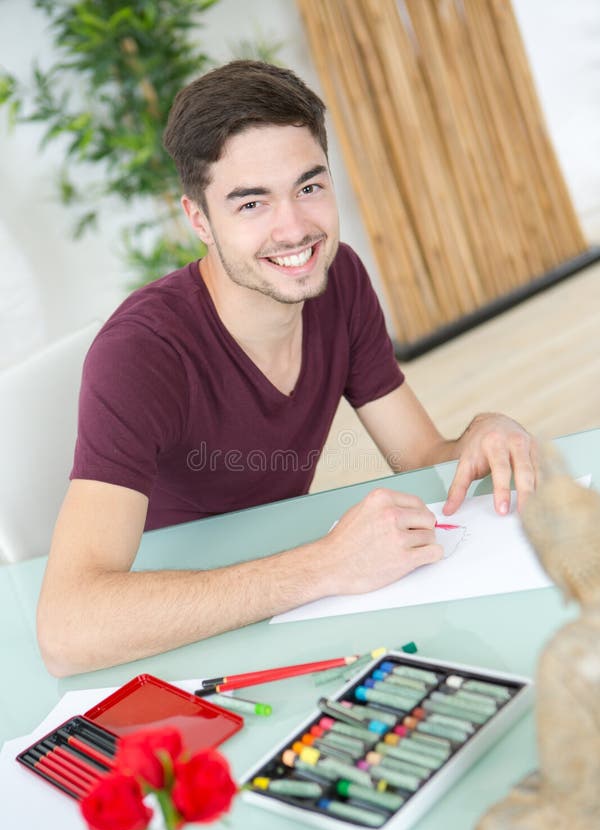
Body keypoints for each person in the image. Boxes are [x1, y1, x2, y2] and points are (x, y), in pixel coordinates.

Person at [37, 60, 537, 677]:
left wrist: (480, 435)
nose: (295, 229)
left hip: (277, 601)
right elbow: (67, 630)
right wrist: (325, 564)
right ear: (199, 220)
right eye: (251, 203)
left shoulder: (341, 280)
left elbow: (420, 454)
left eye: (309, 187)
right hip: (161, 638)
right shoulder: (140, 355)